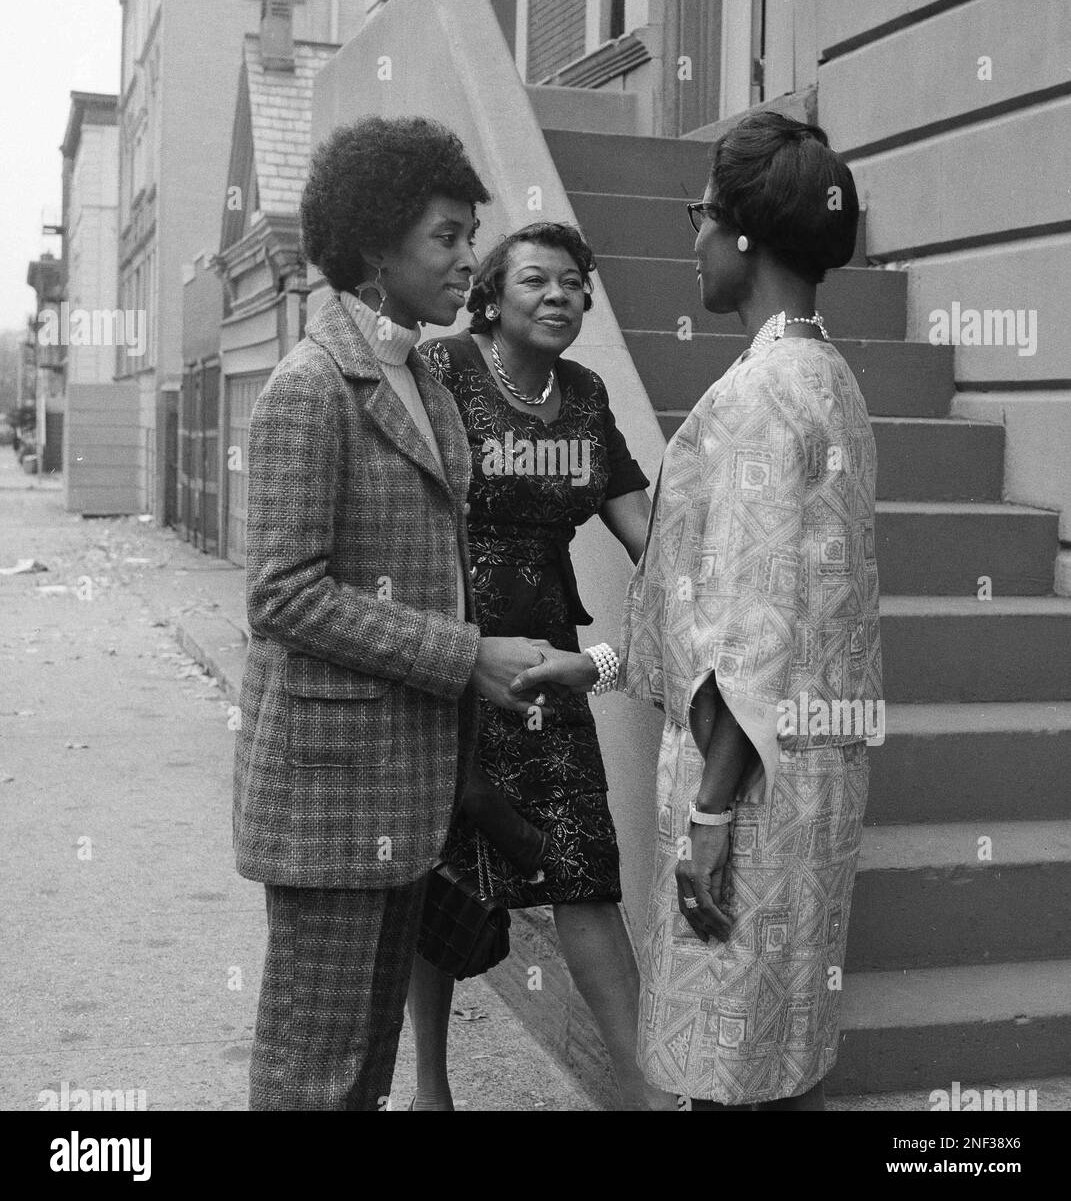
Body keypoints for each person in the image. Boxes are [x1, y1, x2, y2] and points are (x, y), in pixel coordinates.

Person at [514, 113, 882, 1110]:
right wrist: (594, 666)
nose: (695, 241)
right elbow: (734, 600)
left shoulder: (762, 393)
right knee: (775, 1054)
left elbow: (756, 630)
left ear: (745, 235)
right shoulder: (833, 380)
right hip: (813, 785)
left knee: (726, 1068)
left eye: (703, 217)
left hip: (749, 795)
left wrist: (711, 818)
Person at [232, 116, 548, 1111]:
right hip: (327, 806)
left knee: (362, 1079)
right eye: (446, 238)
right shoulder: (311, 385)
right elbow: (282, 592)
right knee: (311, 1082)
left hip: (405, 798)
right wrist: (466, 656)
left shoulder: (423, 379)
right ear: (377, 248)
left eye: (469, 236)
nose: (470, 261)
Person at [410, 222, 676, 1111]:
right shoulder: (443, 372)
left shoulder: (588, 398)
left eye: (574, 282)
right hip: (451, 660)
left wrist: (680, 595)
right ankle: (432, 1087)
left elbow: (650, 537)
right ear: (491, 296)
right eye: (537, 280)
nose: (560, 295)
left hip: (546, 668)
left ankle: (641, 1093)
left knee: (583, 871)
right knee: (441, 882)